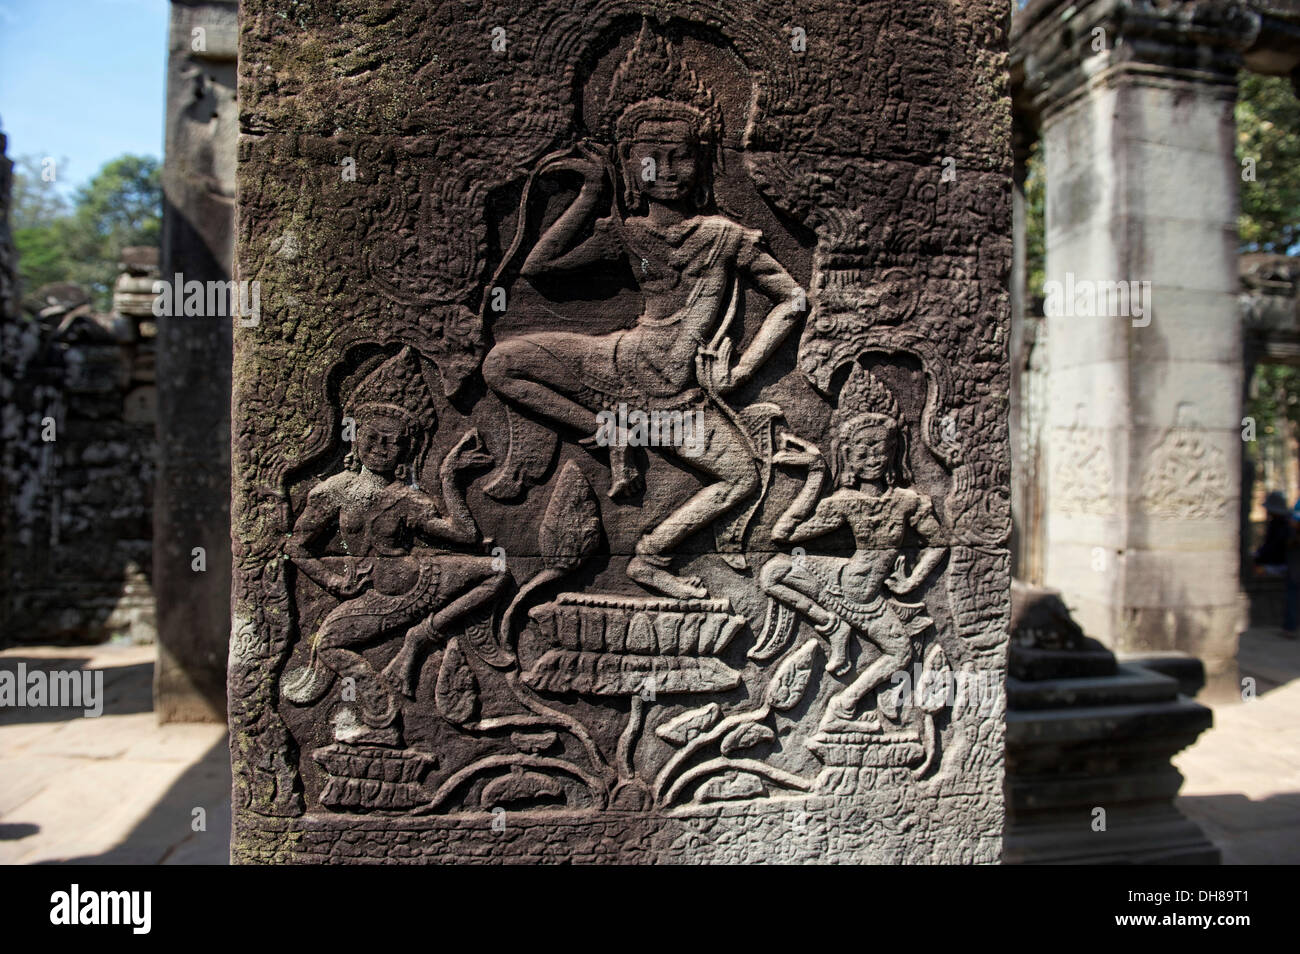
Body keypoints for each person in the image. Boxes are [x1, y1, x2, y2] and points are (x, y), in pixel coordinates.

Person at [482, 22, 804, 600]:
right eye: (651, 160)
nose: (669, 170)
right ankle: (609, 434)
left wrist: (742, 371)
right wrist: (589, 194)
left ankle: (651, 555)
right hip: (619, 365)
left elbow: (793, 298)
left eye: (682, 158)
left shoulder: (724, 237)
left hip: (680, 395)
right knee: (502, 365)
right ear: (631, 168)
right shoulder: (626, 234)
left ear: (704, 164)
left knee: (742, 477)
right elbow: (539, 267)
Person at [757, 365, 946, 727]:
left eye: (880, 448)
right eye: (863, 449)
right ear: (848, 457)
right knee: (774, 571)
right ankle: (831, 625)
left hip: (869, 600)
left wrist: (913, 581)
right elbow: (784, 535)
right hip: (840, 579)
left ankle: (843, 705)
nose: (872, 456)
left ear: (894, 453)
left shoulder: (908, 502)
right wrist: (815, 475)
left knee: (901, 652)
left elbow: (938, 542)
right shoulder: (844, 502)